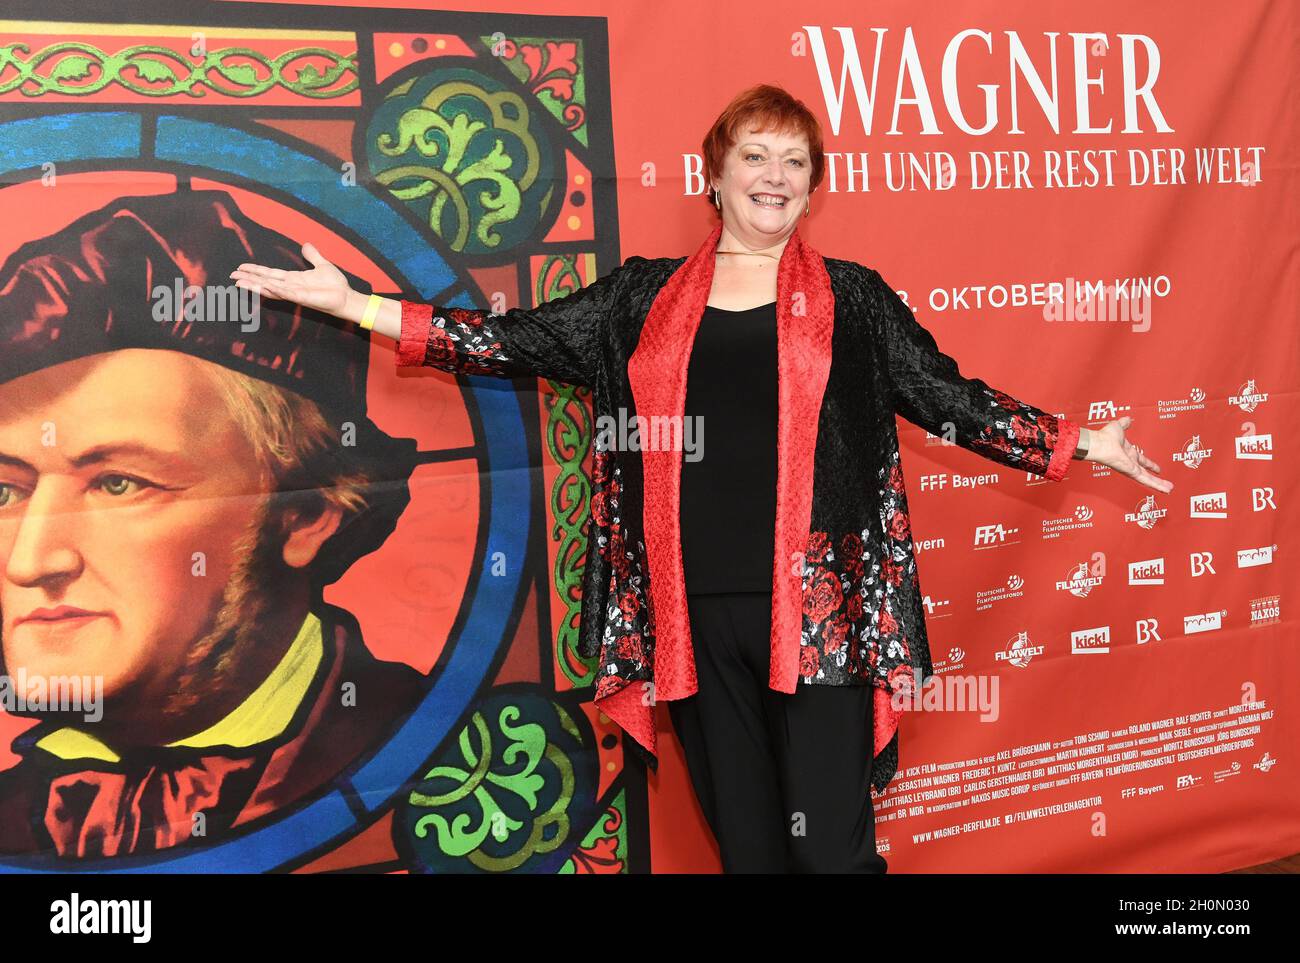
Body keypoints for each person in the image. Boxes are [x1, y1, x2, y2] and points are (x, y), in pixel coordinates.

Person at [232, 83, 1172, 874]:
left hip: (820, 614)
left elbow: (945, 396)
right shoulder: (640, 298)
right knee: (754, 850)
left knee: (831, 853)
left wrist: (1078, 441)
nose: (775, 178)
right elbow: (504, 339)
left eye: (795, 163)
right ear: (714, 176)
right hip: (689, 612)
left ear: (813, 186)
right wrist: (352, 302)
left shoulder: (850, 298)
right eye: (756, 157)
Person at [0, 190, 427, 858]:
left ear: (307, 512)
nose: (31, 561)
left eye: (118, 483)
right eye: (4, 490)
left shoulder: (438, 756)